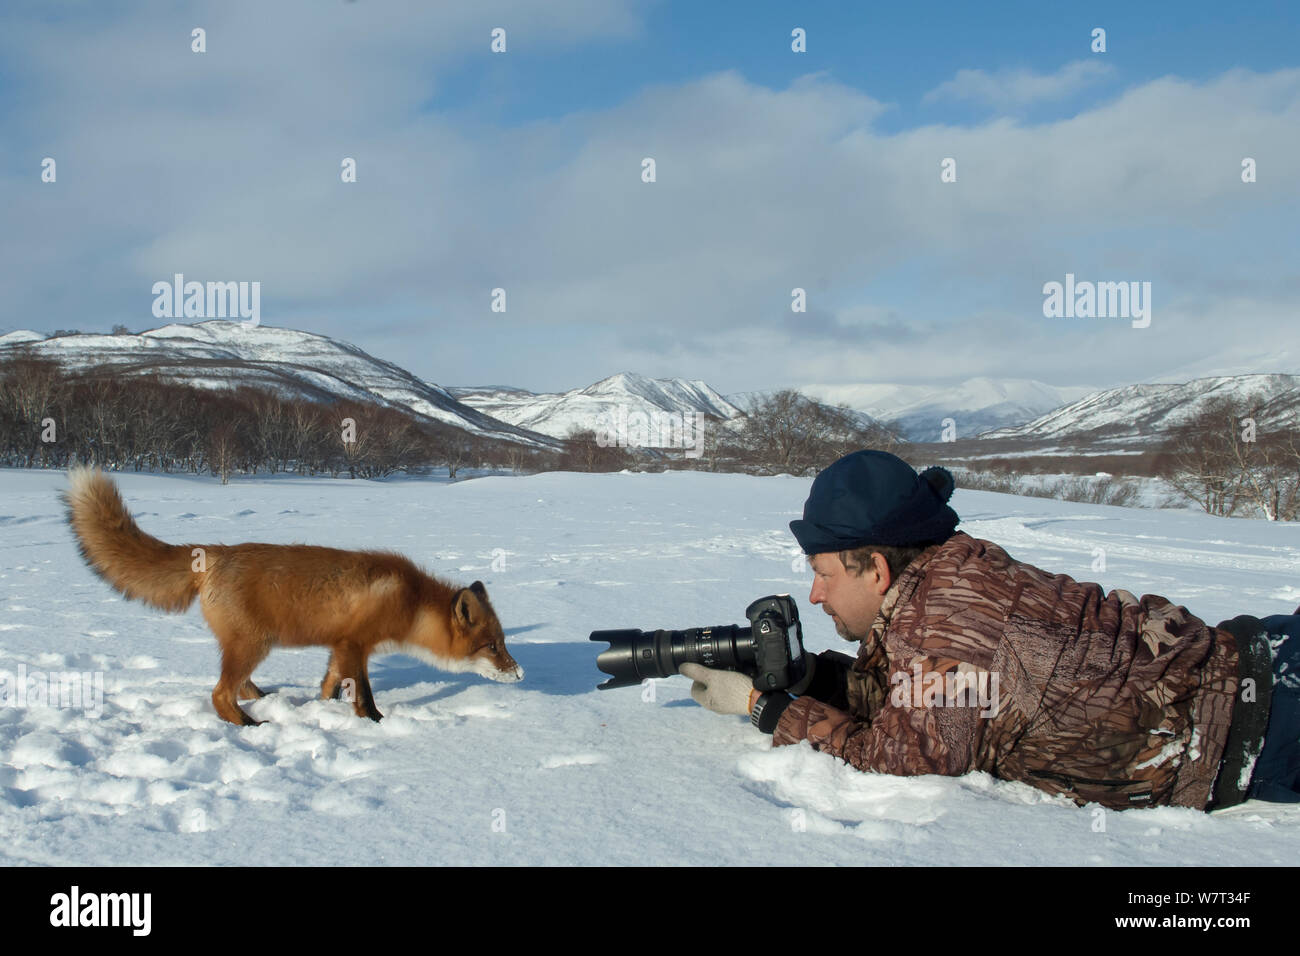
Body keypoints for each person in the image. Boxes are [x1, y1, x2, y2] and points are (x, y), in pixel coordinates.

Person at [681, 449, 1299, 811]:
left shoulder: (944, 624)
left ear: (874, 568)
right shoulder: (944, 577)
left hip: (1265, 727)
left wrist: (765, 709)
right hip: (1256, 666)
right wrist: (818, 677)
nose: (814, 594)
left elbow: (899, 762)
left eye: (821, 574)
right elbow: (924, 699)